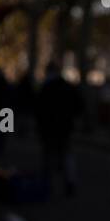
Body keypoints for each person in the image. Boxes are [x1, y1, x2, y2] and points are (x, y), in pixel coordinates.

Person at [35, 61, 84, 196]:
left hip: (49, 127)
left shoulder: (46, 88)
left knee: (49, 155)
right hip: (65, 126)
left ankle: (47, 183)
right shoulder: (68, 87)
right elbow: (79, 105)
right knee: (66, 154)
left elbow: (39, 109)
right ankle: (70, 182)